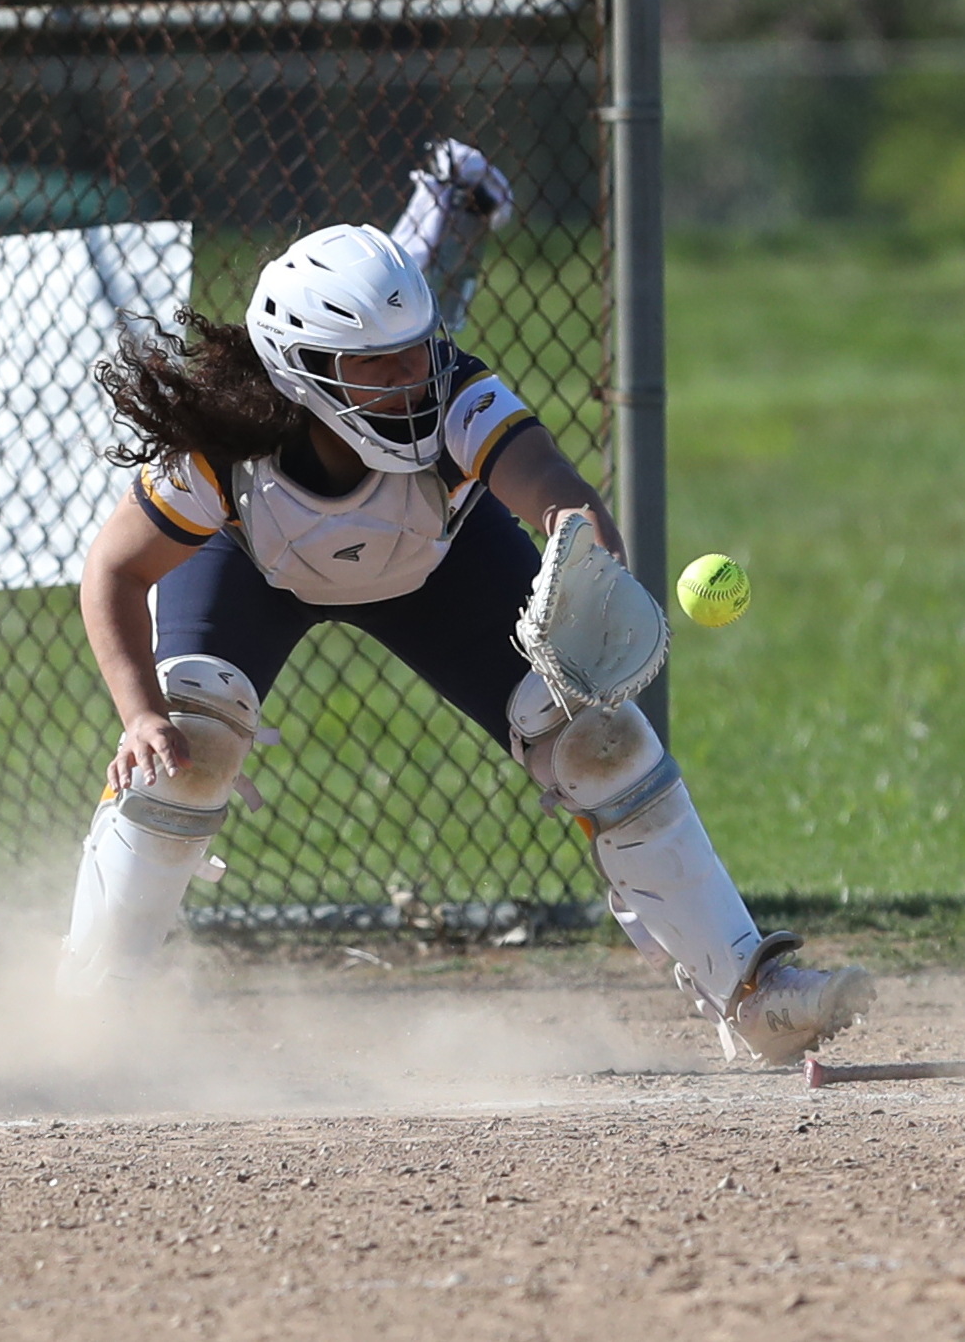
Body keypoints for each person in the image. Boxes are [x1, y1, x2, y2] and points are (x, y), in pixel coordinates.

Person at [55, 144, 875, 1065]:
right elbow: (114, 575)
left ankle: (751, 993)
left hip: (437, 570)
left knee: (597, 737)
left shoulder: (456, 398)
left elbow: (562, 498)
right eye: (377, 367)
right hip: (253, 574)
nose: (411, 379)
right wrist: (138, 715)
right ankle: (86, 1021)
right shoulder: (224, 450)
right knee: (187, 743)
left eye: (417, 353)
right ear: (302, 369)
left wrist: (588, 567)